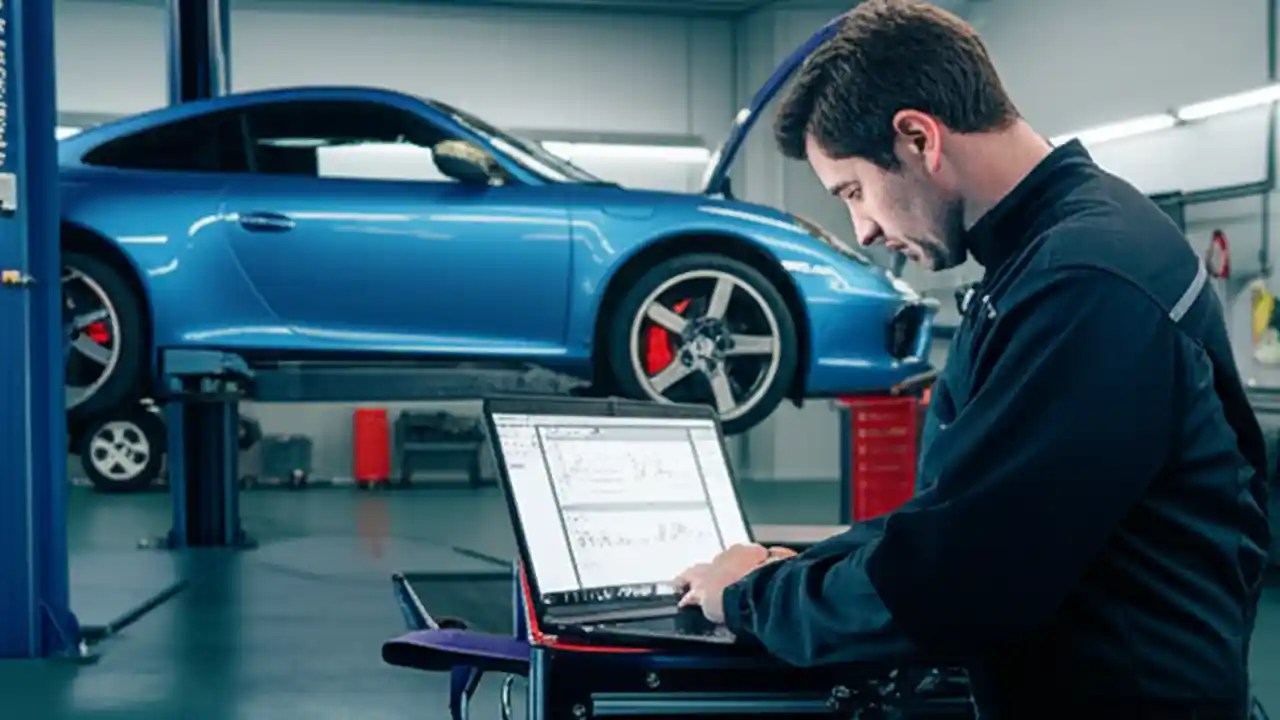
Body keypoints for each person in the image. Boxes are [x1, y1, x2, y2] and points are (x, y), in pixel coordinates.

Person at [674, 1, 1272, 717]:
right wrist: (801, 567)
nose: (861, 230)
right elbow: (960, 510)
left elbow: (957, 584)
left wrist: (750, 600)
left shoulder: (1080, 282)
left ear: (918, 137)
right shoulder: (1060, 252)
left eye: (855, 191)